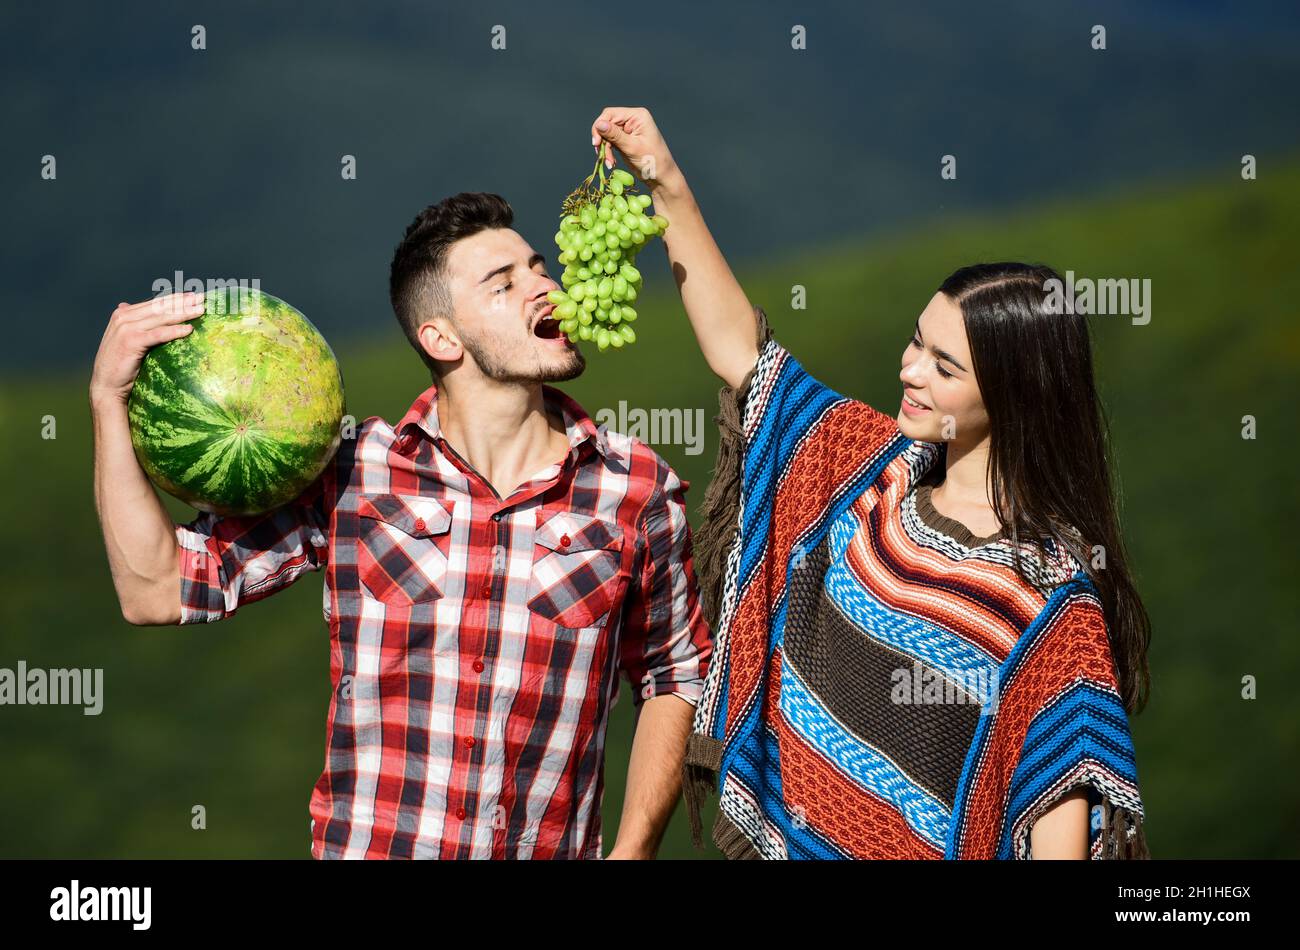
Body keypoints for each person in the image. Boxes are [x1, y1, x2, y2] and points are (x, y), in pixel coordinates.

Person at [590, 106, 1150, 859]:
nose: (909, 370)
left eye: (944, 367)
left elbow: (1060, 824)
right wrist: (666, 181)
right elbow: (743, 354)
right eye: (917, 341)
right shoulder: (870, 467)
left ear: (1014, 397)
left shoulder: (1050, 603)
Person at [89, 192, 711, 859]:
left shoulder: (633, 488)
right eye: (504, 284)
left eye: (536, 267)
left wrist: (634, 849)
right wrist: (107, 398)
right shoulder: (356, 475)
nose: (545, 287)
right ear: (440, 338)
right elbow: (156, 588)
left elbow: (674, 673)